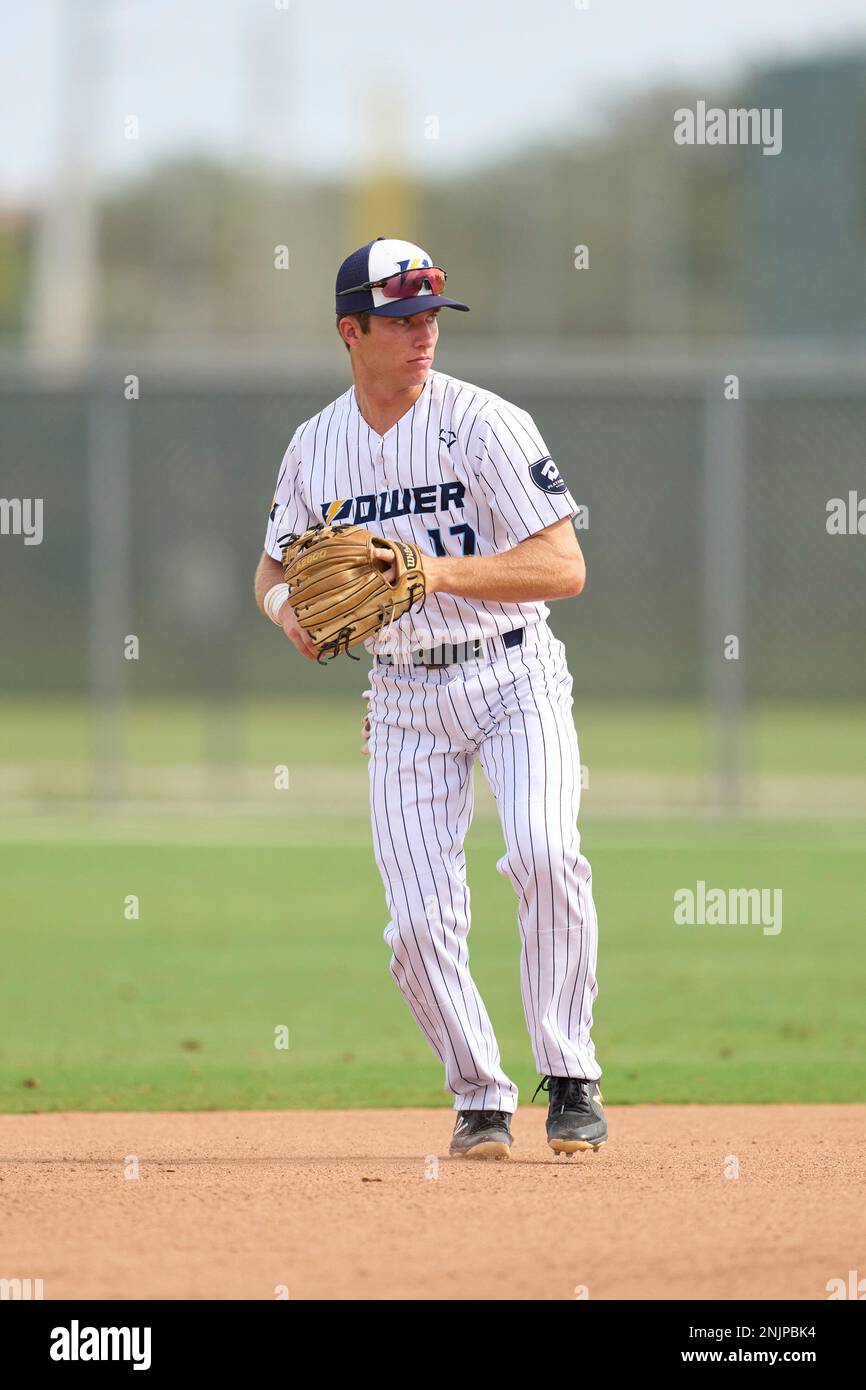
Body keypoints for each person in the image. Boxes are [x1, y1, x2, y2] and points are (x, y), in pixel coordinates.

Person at [253, 237, 606, 1159]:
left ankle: (570, 1073)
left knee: (543, 851)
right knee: (415, 923)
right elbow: (272, 565)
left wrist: (432, 570)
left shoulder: (485, 423)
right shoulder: (316, 446)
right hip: (403, 696)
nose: (422, 337)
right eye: (402, 320)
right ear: (351, 331)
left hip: (511, 672)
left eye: (430, 319)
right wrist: (291, 609)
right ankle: (480, 1096)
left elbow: (563, 566)